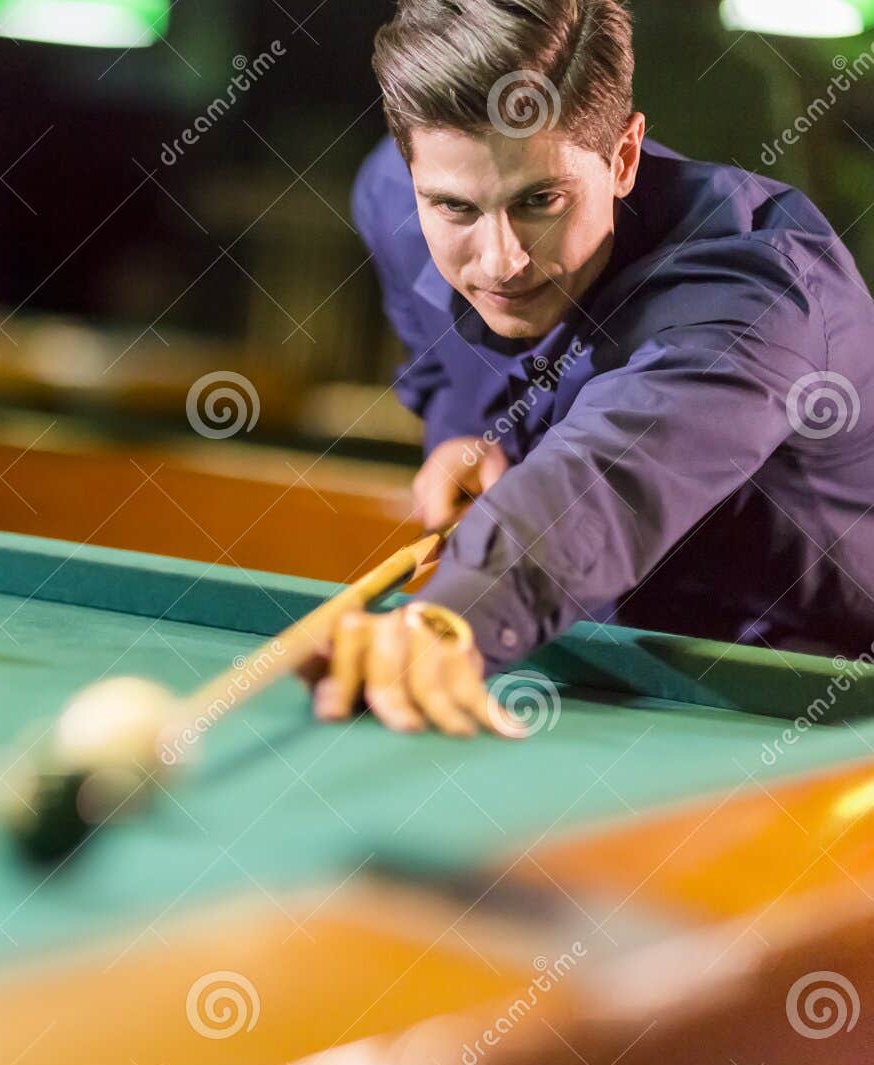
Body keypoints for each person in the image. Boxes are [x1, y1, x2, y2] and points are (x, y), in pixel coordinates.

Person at [306, 0, 874, 736]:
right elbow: (448, 370)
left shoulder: (756, 293)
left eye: (540, 200)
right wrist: (475, 442)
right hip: (586, 670)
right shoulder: (394, 199)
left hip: (817, 709)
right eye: (453, 207)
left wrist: (449, 619)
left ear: (624, 157)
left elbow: (601, 484)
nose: (501, 260)